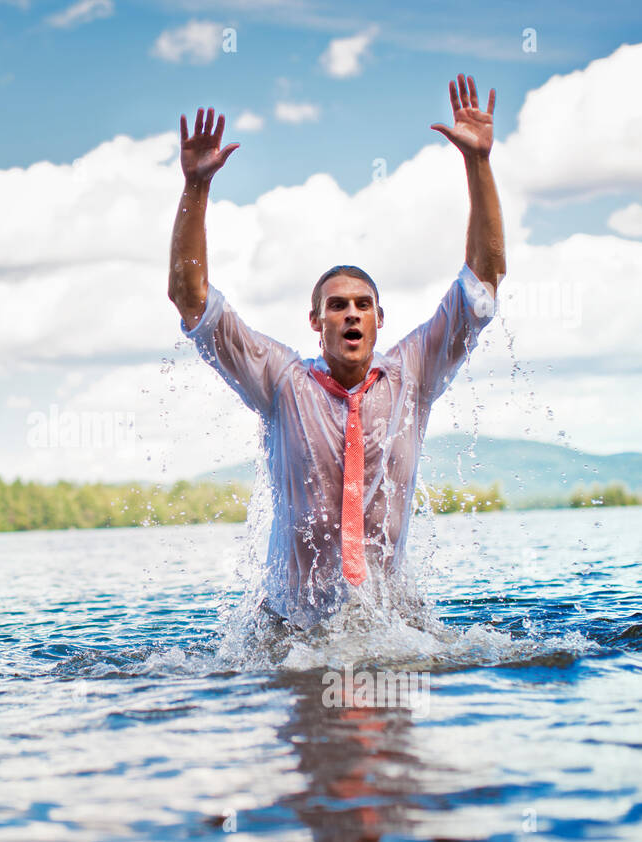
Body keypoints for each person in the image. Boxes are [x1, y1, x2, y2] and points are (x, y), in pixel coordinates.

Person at [167, 75, 506, 629]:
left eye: (363, 304)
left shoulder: (412, 375)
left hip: (388, 627)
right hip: (289, 630)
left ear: (379, 319)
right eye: (337, 305)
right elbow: (190, 300)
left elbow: (483, 283)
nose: (351, 313)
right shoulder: (281, 382)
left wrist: (479, 166)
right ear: (315, 321)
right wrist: (196, 189)